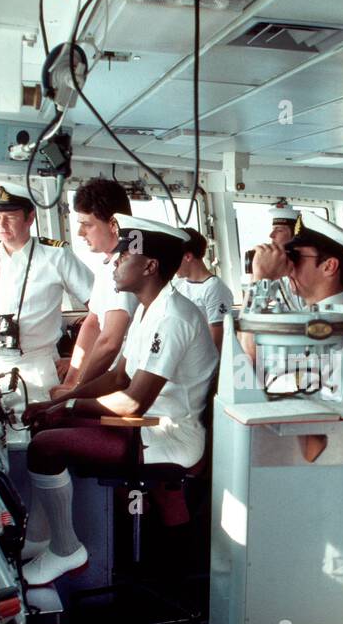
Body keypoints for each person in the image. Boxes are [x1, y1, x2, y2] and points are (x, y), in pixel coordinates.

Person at [19, 216, 219, 585]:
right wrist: (58, 404)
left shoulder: (173, 318)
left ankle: (67, 550)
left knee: (44, 449)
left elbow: (131, 404)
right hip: (146, 425)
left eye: (124, 255)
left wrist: (68, 408)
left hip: (167, 437)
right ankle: (41, 537)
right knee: (48, 425)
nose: (114, 263)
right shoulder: (148, 308)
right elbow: (117, 376)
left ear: (149, 265)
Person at [0, 183, 94, 402]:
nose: (1, 224)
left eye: (10, 216)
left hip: (39, 369)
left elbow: (104, 309)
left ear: (30, 218)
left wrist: (76, 362)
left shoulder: (56, 256)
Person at [59, 178, 140, 391]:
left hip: (126, 383)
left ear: (114, 225)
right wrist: (71, 381)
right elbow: (93, 323)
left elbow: (110, 342)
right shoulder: (108, 264)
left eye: (87, 225)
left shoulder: (128, 267)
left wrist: (76, 392)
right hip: (108, 380)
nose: (80, 233)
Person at [172, 227, 236, 351]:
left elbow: (216, 341)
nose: (170, 263)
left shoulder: (214, 288)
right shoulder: (177, 284)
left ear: (188, 257)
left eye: (174, 257)